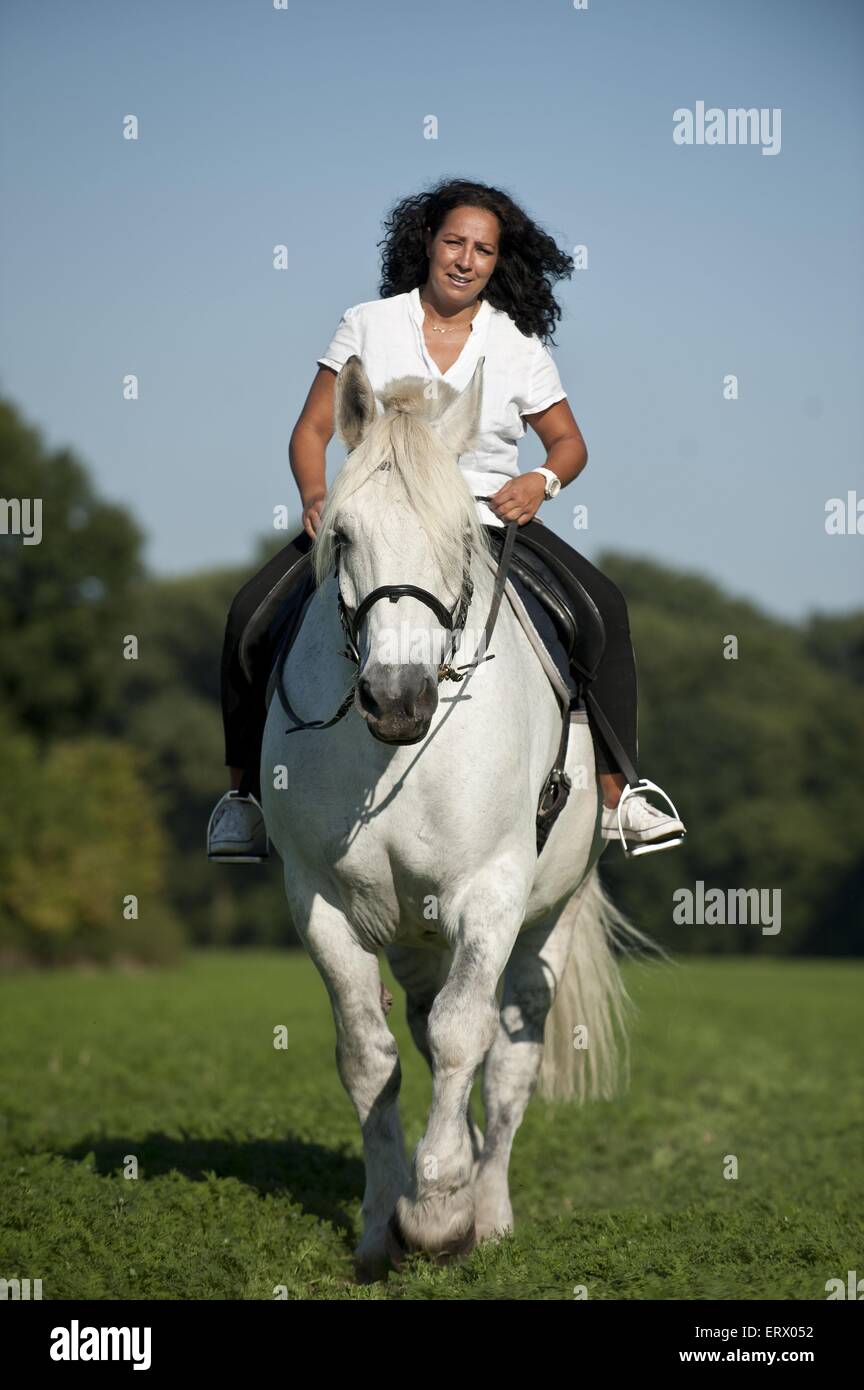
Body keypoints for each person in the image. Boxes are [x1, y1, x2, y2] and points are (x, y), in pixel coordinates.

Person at [207, 178, 686, 862]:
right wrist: (316, 495)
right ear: (427, 243)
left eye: (483, 250)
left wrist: (541, 479)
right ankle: (244, 800)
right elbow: (311, 430)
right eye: (454, 241)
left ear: (498, 261)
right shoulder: (367, 323)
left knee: (603, 607)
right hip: (375, 519)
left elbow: (570, 443)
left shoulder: (517, 343)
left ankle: (620, 799)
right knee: (248, 615)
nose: (466, 259)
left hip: (485, 518)